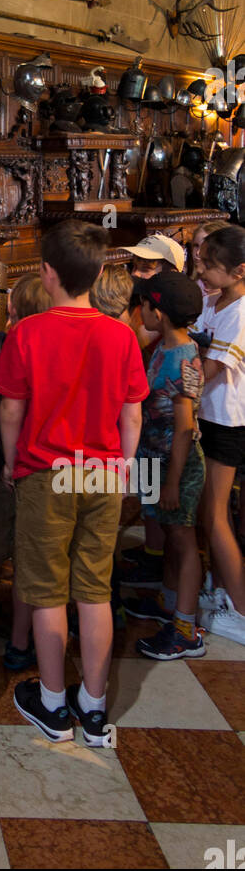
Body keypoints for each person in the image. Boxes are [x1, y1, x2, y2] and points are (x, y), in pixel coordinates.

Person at [0, 220, 148, 746]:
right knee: (94, 590)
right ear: (100, 273)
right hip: (102, 473)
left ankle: (54, 704)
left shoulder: (28, 332)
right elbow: (132, 415)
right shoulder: (121, 333)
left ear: (45, 273)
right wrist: (122, 470)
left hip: (46, 473)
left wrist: (12, 464)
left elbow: (11, 410)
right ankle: (95, 709)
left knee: (47, 590)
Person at [123, 274, 206, 659]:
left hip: (177, 465)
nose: (140, 311)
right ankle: (170, 605)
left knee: (184, 542)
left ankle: (186, 629)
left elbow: (186, 428)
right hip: (155, 459)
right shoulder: (165, 346)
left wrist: (172, 482)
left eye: (144, 305)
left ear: (159, 312)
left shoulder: (182, 358)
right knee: (172, 539)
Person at [0, 271, 52, 667]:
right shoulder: (56, 353)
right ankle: (21, 645)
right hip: (42, 470)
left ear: (13, 313)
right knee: (29, 562)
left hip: (3, 470)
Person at [192, 225, 245, 645]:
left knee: (214, 516)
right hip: (209, 418)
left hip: (226, 424)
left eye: (210, 265)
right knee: (212, 513)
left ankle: (242, 611)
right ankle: (223, 590)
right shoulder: (218, 298)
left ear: (239, 271)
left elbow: (207, 369)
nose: (202, 270)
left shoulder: (239, 312)